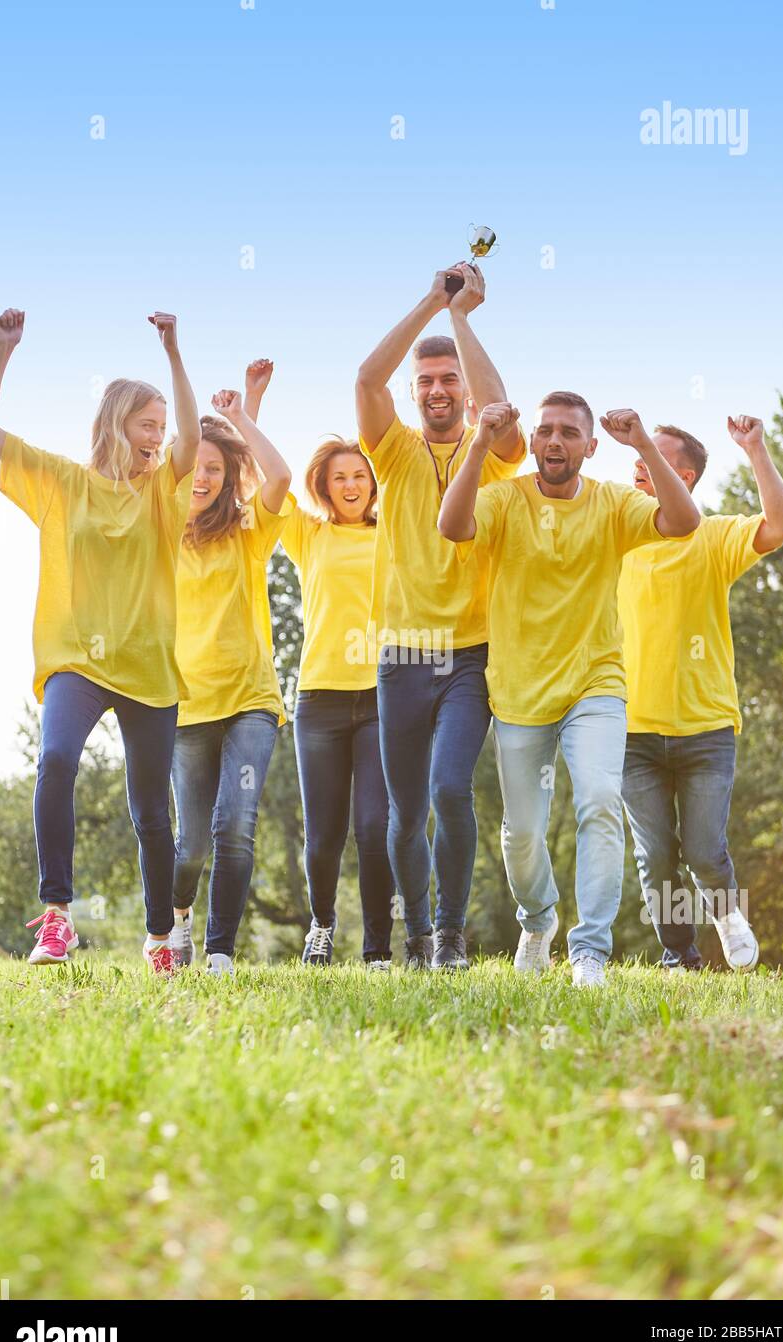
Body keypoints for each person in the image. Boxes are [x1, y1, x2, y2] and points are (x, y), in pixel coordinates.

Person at [438, 394, 700, 987]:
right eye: (545, 431)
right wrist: (479, 442)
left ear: (589, 446)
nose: (554, 441)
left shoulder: (612, 503)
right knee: (524, 830)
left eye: (568, 433)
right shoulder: (506, 499)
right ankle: (538, 921)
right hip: (519, 690)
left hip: (595, 681)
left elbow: (683, 522)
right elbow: (452, 526)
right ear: (533, 442)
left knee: (600, 800)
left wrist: (643, 446)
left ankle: (589, 951)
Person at [0, 308, 199, 974]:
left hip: (148, 665)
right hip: (76, 658)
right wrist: (2, 351)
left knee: (152, 811)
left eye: (161, 426)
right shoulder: (64, 483)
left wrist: (176, 354)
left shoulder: (163, 492)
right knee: (57, 760)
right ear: (115, 424)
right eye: (146, 425)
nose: (157, 437)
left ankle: (159, 940)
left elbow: (188, 436)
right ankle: (58, 918)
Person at [356, 264, 525, 970]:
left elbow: (503, 411)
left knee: (450, 787)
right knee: (404, 814)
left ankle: (453, 936)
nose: (436, 390)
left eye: (447, 379)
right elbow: (366, 380)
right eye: (425, 381)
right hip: (402, 653)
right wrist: (430, 297)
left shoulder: (491, 456)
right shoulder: (392, 451)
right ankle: (417, 937)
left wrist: (461, 318)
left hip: (470, 652)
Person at [618, 416, 783, 971]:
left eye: (655, 457)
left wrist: (756, 450)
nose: (640, 466)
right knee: (655, 857)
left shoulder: (714, 536)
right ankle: (680, 957)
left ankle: (725, 913)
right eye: (637, 459)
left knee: (701, 849)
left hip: (705, 728)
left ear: (686, 477)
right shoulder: (618, 537)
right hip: (631, 730)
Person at [169, 377, 293, 977]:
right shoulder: (158, 536)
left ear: (224, 475)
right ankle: (181, 921)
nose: (201, 476)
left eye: (214, 467)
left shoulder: (247, 532)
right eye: (192, 463)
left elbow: (278, 479)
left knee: (234, 827)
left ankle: (220, 952)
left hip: (250, 700)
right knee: (190, 845)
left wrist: (243, 417)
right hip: (183, 707)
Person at [273, 426, 394, 970]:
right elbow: (267, 479)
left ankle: (377, 949)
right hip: (319, 699)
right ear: (324, 485)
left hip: (381, 696)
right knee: (323, 836)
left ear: (374, 483)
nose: (350, 485)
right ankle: (321, 926)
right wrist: (247, 412)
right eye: (339, 477)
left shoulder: (394, 533)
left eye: (359, 475)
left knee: (373, 827)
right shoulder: (309, 535)